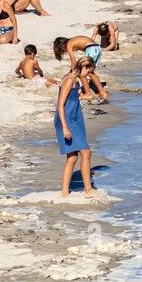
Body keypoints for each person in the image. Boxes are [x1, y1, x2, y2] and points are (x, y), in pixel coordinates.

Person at [55, 56, 97, 197]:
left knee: (72, 157)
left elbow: (72, 99)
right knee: (86, 152)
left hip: (74, 118)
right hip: (67, 120)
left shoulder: (75, 80)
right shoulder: (69, 80)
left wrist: (81, 96)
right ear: (84, 67)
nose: (88, 75)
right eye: (88, 72)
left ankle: (65, 191)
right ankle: (88, 190)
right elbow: (60, 104)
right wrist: (65, 127)